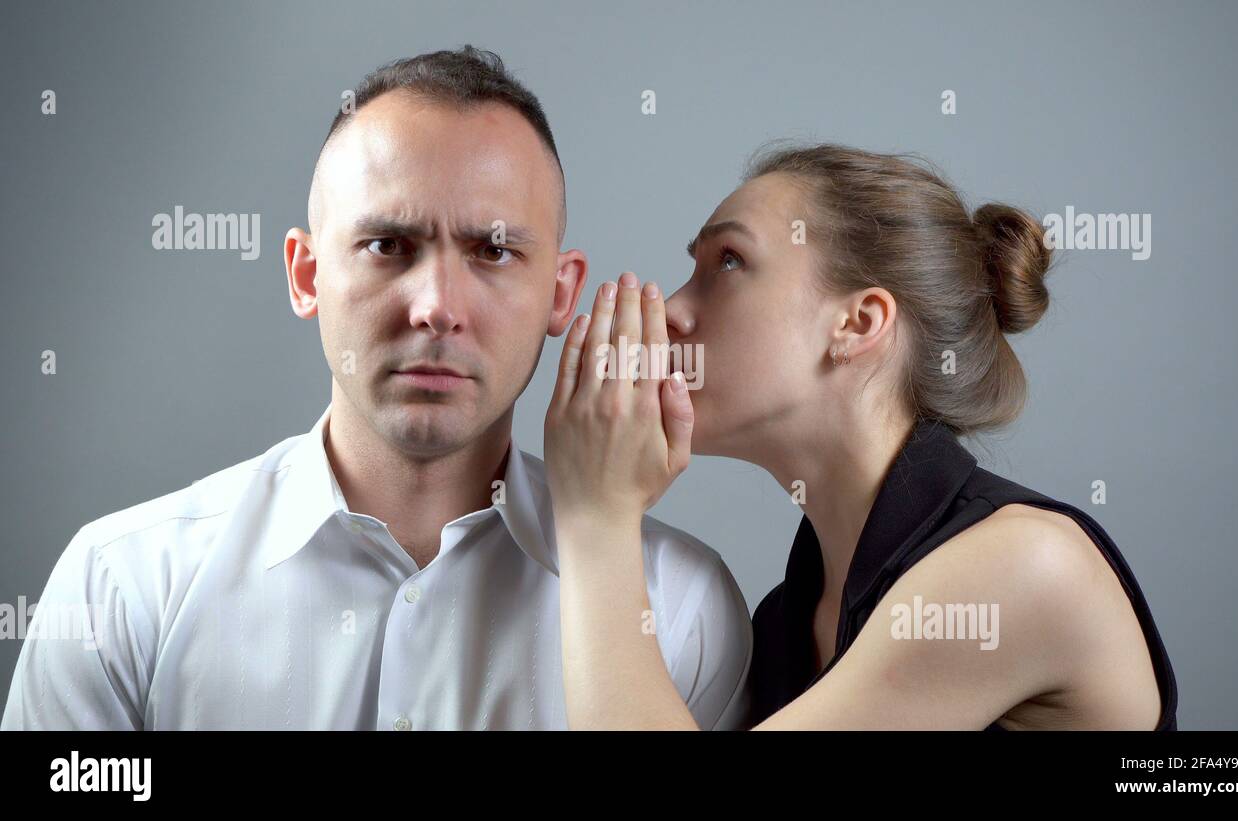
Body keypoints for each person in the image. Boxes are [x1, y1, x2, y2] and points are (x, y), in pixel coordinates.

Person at [1, 47, 752, 731]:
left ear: (562, 295)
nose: (436, 307)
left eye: (493, 250)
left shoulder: (683, 609)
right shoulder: (119, 585)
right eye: (387, 245)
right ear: (307, 275)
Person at [543, 144, 1178, 730]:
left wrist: (596, 518)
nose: (673, 312)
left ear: (857, 322)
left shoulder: (1022, 568)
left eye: (728, 261)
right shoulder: (784, 622)